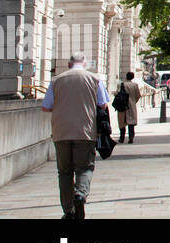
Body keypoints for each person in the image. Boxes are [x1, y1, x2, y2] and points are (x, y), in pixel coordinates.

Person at [41, 52, 110, 220]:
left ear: (69, 64)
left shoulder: (56, 80)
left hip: (61, 132)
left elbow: (46, 106)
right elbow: (103, 104)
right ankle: (80, 194)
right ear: (84, 63)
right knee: (85, 167)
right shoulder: (94, 79)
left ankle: (68, 211)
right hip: (85, 131)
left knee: (64, 172)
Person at [116, 71, 141, 143]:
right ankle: (131, 137)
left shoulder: (121, 84)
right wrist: (133, 101)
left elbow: (117, 94)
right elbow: (138, 95)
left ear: (126, 76)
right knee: (131, 123)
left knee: (122, 122)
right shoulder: (135, 85)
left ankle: (122, 138)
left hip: (122, 105)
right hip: (132, 105)